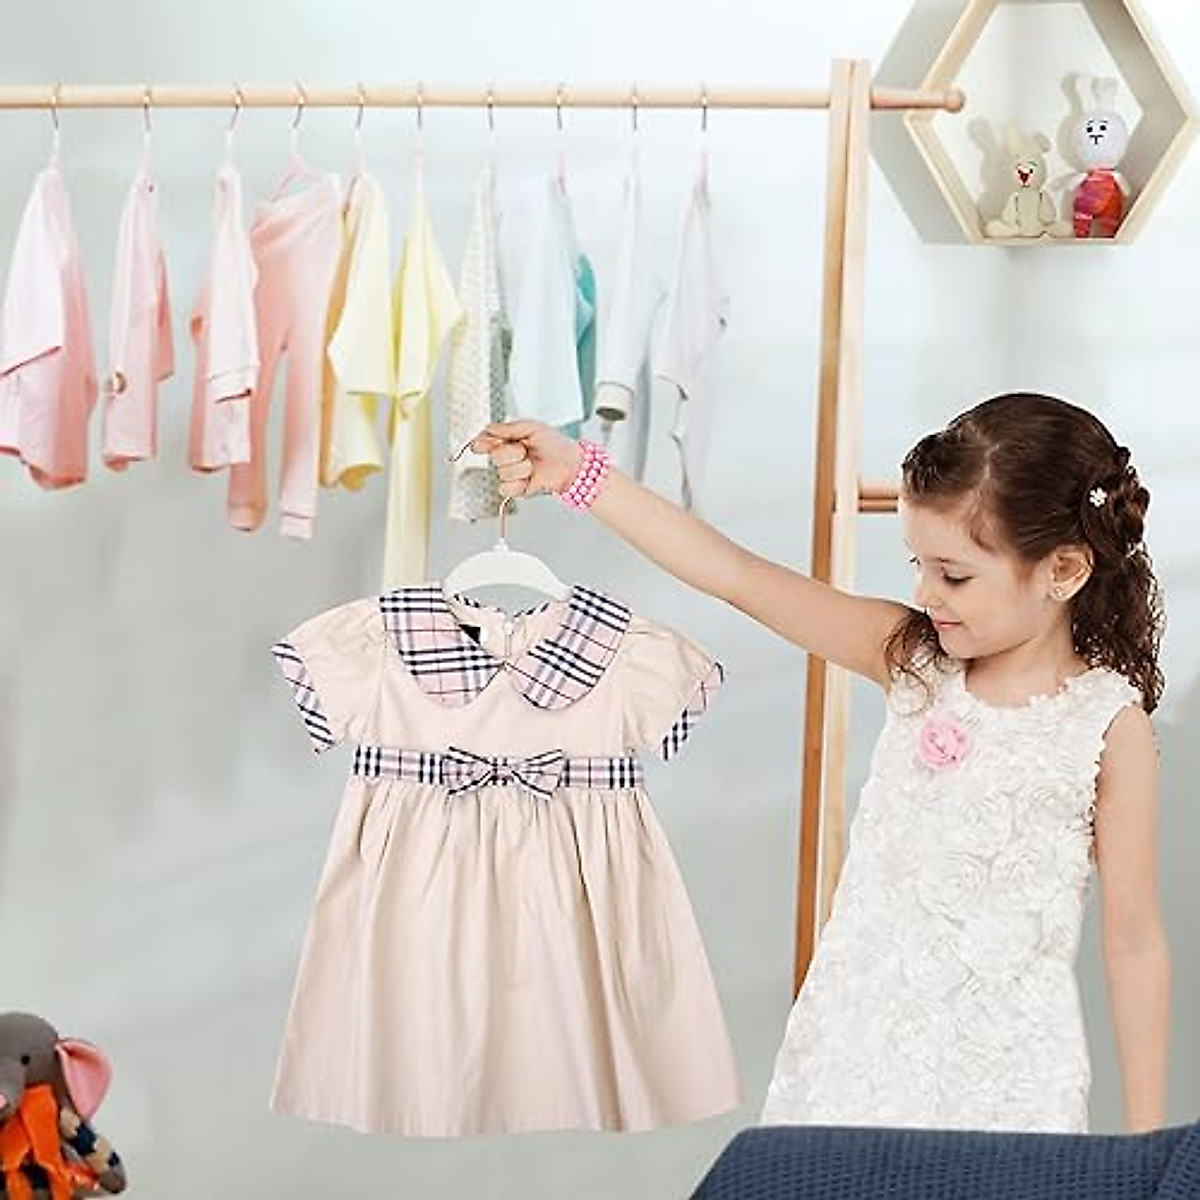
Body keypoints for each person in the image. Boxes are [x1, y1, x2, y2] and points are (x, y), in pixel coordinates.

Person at [472, 392, 1170, 1134]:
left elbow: (1133, 942)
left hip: (1005, 1085)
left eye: (954, 575)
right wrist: (577, 473)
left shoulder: (1105, 728)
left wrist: (1147, 1146)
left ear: (1063, 570)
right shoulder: (913, 661)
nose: (924, 593)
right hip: (853, 1057)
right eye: (919, 566)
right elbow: (736, 575)